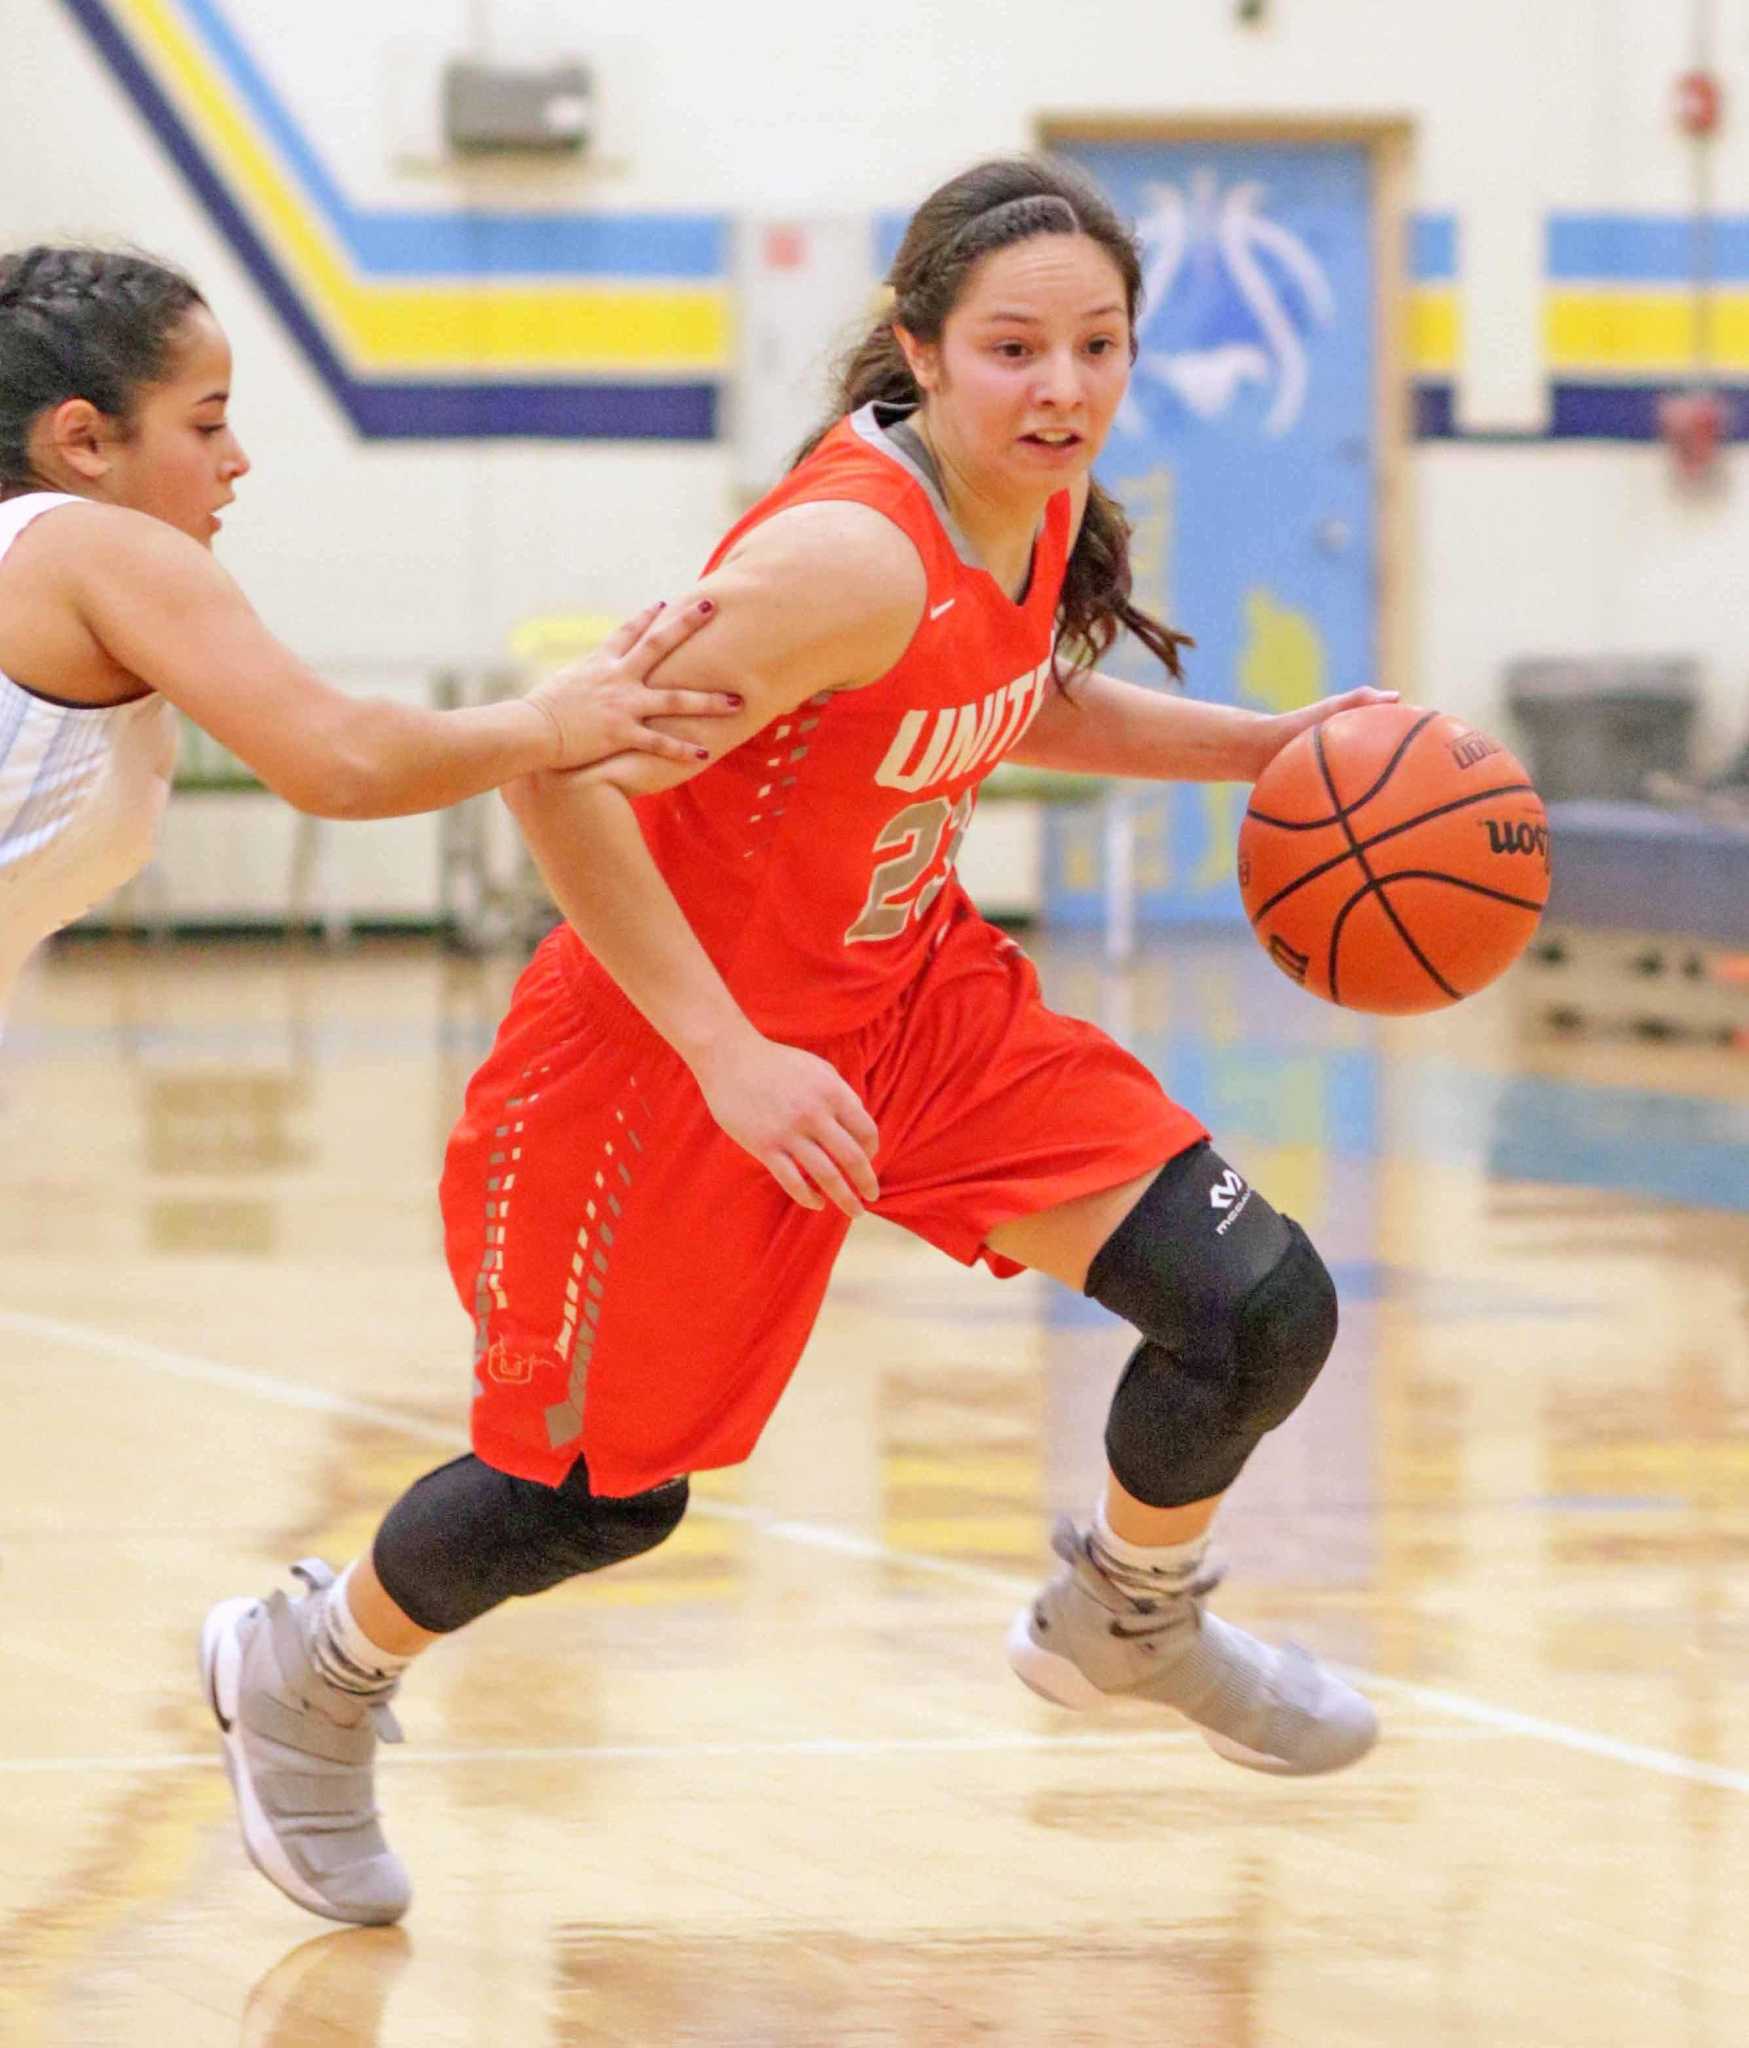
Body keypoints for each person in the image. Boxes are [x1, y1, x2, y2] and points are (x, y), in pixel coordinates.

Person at [204, 156, 1396, 1928]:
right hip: (664, 1042)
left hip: (908, 993)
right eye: (1011, 348)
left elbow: (1002, 690)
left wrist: (1261, 745)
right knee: (593, 1497)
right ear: (913, 349)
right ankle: (309, 1664)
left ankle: (1123, 1614)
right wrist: (723, 1049)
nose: (1060, 386)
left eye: (1096, 345)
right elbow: (562, 758)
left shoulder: (1031, 499)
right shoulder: (840, 552)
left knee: (1252, 1309)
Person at [0, 245, 737, 1025]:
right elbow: (345, 762)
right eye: (207, 423)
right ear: (82, 441)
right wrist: (551, 722)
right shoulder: (94, 542)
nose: (237, 460)